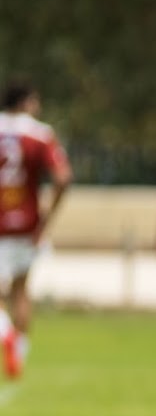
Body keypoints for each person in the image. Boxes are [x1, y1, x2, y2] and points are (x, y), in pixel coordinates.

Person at [0, 80, 73, 380]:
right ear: (27, 102)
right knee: (21, 290)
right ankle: (19, 352)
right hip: (28, 224)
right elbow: (62, 178)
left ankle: (6, 335)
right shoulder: (40, 134)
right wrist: (45, 218)